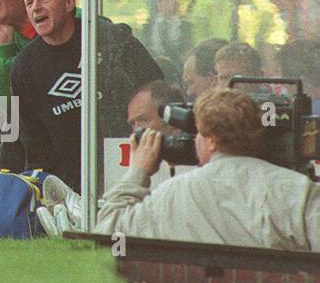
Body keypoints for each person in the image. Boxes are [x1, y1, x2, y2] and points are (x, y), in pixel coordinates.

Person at [94, 88, 320, 250]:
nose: (194, 141)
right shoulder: (299, 191)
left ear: (211, 141)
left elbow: (107, 235)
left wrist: (138, 171)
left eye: (198, 134)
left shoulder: (173, 194)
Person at [9, 0, 162, 189]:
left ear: (69, 2)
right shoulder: (25, 66)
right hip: (71, 184)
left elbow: (156, 89)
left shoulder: (110, 38)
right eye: (29, 3)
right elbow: (34, 142)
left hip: (128, 166)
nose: (36, 8)